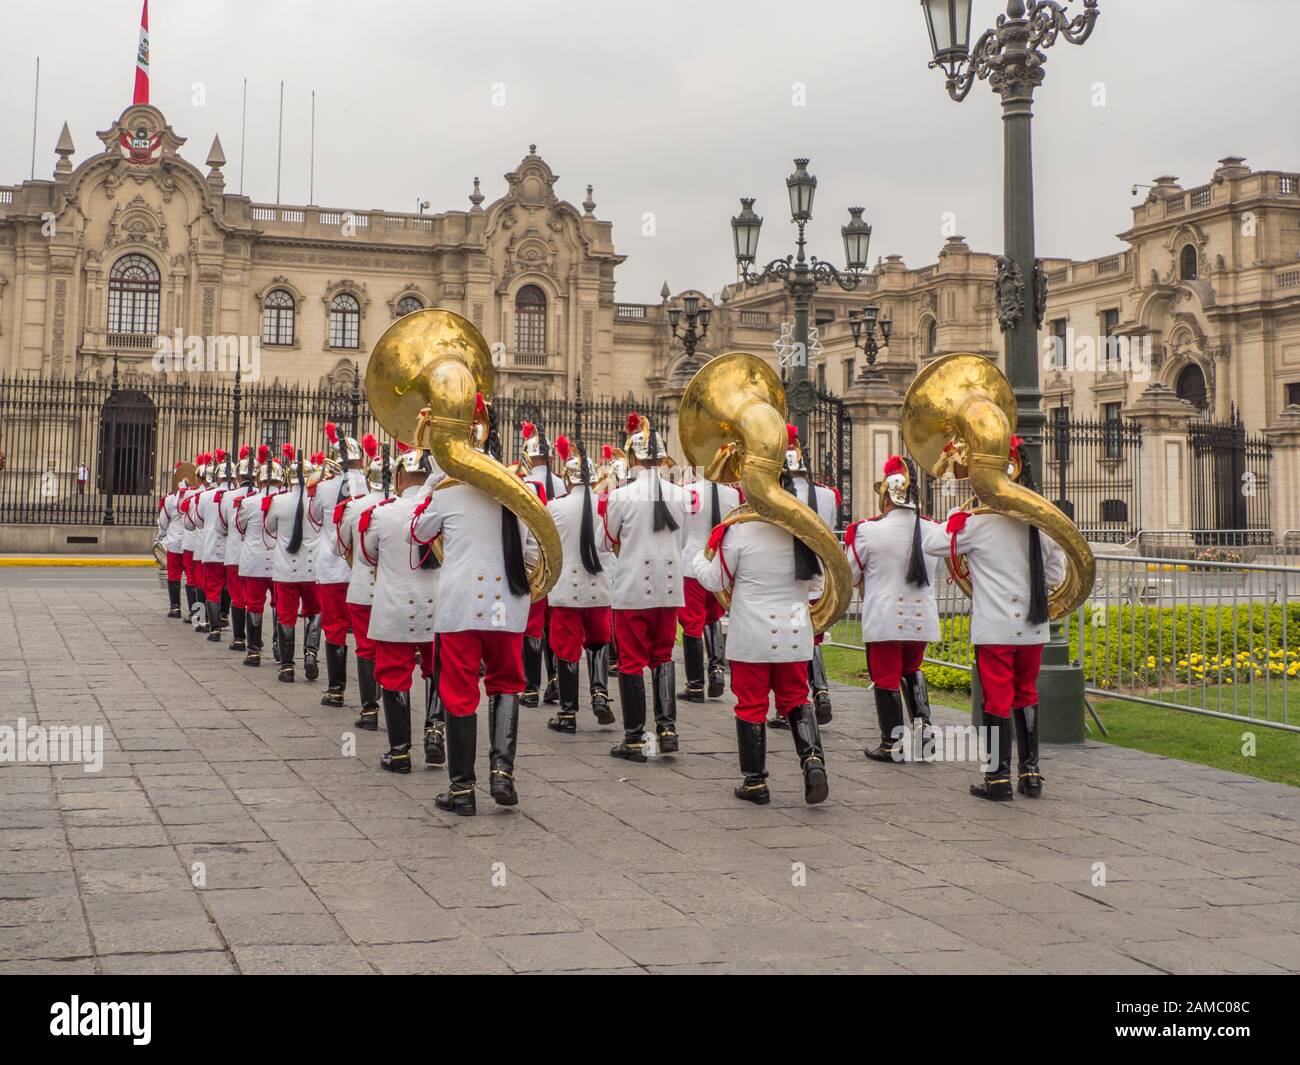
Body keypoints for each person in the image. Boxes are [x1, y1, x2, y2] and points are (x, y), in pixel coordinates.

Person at [409, 396, 537, 815]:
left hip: (460, 608)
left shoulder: (447, 492)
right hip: (508, 606)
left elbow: (418, 532)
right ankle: (503, 773)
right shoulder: (524, 490)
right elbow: (535, 556)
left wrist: (431, 482)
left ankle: (462, 789)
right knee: (506, 685)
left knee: (460, 693)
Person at [689, 492, 829, 806]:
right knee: (795, 698)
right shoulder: (803, 530)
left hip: (752, 635)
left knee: (751, 704)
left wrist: (701, 556)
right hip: (794, 633)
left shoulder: (738, 531)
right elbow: (817, 588)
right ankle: (813, 762)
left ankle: (755, 782)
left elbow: (715, 580)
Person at [946, 436, 1066, 801]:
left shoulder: (978, 526)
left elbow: (934, 544)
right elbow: (1056, 576)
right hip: (1032, 628)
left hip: (995, 629)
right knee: (1025, 694)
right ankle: (1030, 773)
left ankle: (997, 777)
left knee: (995, 701)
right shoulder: (1040, 524)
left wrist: (957, 517)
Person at [844, 455, 949, 763]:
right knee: (912, 671)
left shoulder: (866, 531)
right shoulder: (932, 529)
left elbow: (849, 574)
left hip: (885, 618)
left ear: (886, 498)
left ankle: (892, 744)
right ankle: (925, 736)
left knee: (887, 677)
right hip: (921, 618)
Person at [601, 412, 691, 763]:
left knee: (631, 662)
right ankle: (667, 730)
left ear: (634, 458)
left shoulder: (621, 497)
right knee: (663, 657)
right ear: (662, 458)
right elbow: (681, 542)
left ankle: (636, 737)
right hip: (669, 589)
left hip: (632, 589)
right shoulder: (680, 495)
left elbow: (605, 542)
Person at [360, 444, 442, 773]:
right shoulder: (443, 508)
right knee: (438, 670)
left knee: (394, 675)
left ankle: (399, 751)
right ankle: (435, 732)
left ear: (399, 477)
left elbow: (368, 556)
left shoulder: (381, 513)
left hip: (394, 605)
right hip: (437, 606)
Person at [769, 427, 841, 729]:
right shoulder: (827, 496)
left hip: (786, 579)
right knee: (811, 638)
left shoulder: (774, 494)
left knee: (788, 642)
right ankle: (821, 690)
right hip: (818, 578)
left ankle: (790, 705)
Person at [545, 436, 615, 734]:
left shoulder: (554, 506)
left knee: (566, 648)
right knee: (598, 642)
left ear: (567, 479)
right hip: (599, 584)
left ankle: (568, 711)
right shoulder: (607, 504)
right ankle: (599, 693)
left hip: (566, 587)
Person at [312, 424, 367, 708]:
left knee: (334, 628)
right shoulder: (371, 486)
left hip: (332, 568)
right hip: (361, 570)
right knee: (364, 633)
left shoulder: (323, 487)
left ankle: (336, 690)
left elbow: (314, 520)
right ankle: (371, 698)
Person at [334, 435, 386, 729]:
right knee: (393, 651)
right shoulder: (411, 507)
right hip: (396, 594)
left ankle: (369, 710)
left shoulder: (354, 508)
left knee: (365, 647)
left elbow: (339, 548)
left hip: (363, 588)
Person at [677, 470, 739, 702]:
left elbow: (681, 530)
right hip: (719, 563)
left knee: (692, 623)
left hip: (691, 563)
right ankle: (717, 670)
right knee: (713, 617)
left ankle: (695, 685)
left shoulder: (687, 491)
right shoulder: (733, 493)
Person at [263, 445, 321, 682]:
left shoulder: (278, 502)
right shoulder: (316, 502)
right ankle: (310, 653)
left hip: (286, 569)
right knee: (314, 611)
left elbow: (269, 528)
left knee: (286, 615)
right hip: (312, 568)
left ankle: (287, 666)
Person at [518, 420, 565, 708]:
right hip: (557, 560)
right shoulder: (560, 483)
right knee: (552, 624)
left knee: (533, 626)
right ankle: (555, 679)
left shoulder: (524, 483)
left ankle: (532, 687)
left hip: (533, 561)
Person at [237, 447, 282, 667]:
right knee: (280, 606)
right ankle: (279, 646)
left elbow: (240, 527)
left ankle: (253, 651)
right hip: (278, 562)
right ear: (280, 482)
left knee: (253, 605)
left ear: (259, 480)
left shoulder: (247, 501)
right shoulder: (286, 500)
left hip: (253, 560)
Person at [194, 449, 233, 642]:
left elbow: (197, 521)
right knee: (232, 587)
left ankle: (213, 626)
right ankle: (227, 618)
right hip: (233, 550)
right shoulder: (239, 495)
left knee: (211, 587)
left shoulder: (204, 496)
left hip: (210, 546)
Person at [221, 446, 256, 653]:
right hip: (256, 556)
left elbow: (223, 525)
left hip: (234, 552)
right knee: (254, 599)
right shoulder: (263, 495)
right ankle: (256, 641)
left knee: (237, 597)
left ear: (239, 475)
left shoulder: (228, 496)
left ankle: (239, 638)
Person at [157, 463, 189, 618]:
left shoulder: (169, 500)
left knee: (174, 575)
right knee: (193, 578)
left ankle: (175, 607)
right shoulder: (194, 497)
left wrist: (162, 535)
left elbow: (163, 521)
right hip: (190, 544)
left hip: (174, 542)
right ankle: (195, 612)